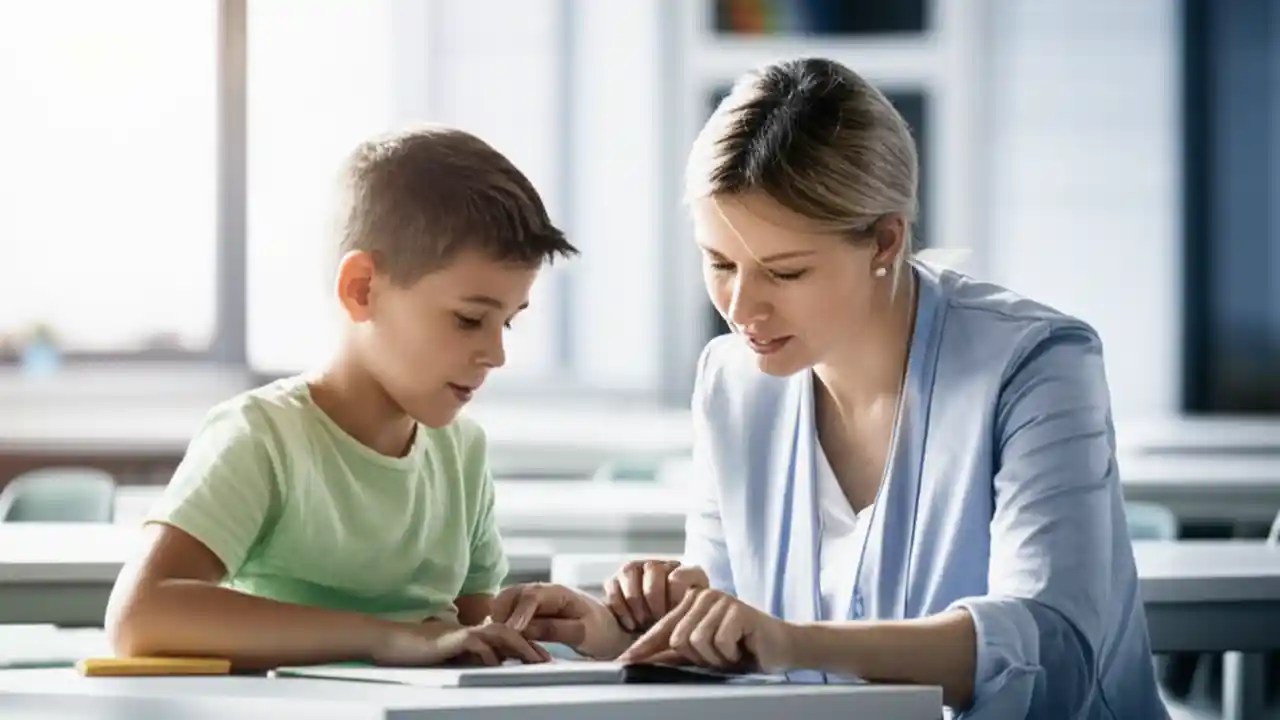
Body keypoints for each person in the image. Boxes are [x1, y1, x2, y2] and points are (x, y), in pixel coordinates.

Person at [492, 58, 1168, 719]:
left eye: (784, 273)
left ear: (884, 242)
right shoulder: (733, 382)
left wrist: (791, 642)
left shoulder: (1037, 364)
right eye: (718, 262)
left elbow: (1053, 649)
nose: (741, 307)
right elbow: (733, 654)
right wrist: (622, 634)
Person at [106, 125, 577, 670]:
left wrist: (528, 620)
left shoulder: (462, 453)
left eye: (508, 324)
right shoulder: (263, 437)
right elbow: (140, 617)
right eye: (469, 319)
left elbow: (469, 631)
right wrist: (386, 638)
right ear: (361, 289)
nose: (495, 354)